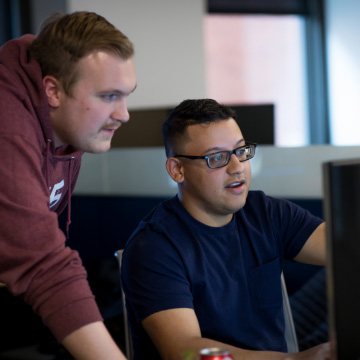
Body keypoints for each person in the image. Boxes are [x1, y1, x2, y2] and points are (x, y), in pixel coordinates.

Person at [121, 99, 330, 360]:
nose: (237, 167)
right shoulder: (153, 247)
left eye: (241, 151)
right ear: (177, 170)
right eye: (217, 158)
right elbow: (183, 350)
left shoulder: (266, 213)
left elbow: (346, 248)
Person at [0, 11, 136, 360]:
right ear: (53, 90)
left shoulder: (69, 123)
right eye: (109, 96)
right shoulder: (8, 124)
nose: (124, 114)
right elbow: (42, 263)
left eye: (126, 95)